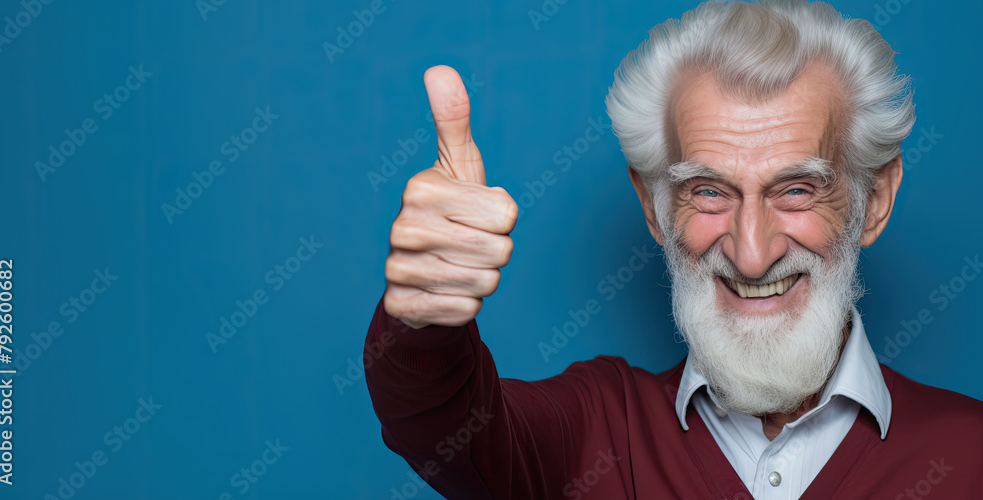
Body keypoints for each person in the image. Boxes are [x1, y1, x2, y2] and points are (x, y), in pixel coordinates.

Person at [364, 0, 983, 498]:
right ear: (655, 208)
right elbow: (437, 423)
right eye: (709, 191)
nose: (751, 253)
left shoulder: (970, 456)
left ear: (873, 200)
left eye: (796, 189)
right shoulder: (593, 434)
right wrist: (422, 315)